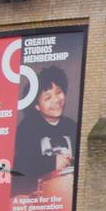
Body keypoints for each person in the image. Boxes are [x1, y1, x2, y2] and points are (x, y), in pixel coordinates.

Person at [12, 65, 77, 197]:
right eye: (47, 98)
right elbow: (22, 166)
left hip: (67, 195)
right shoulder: (26, 128)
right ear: (37, 106)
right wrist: (52, 162)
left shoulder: (71, 126)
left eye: (58, 92)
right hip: (38, 203)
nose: (56, 100)